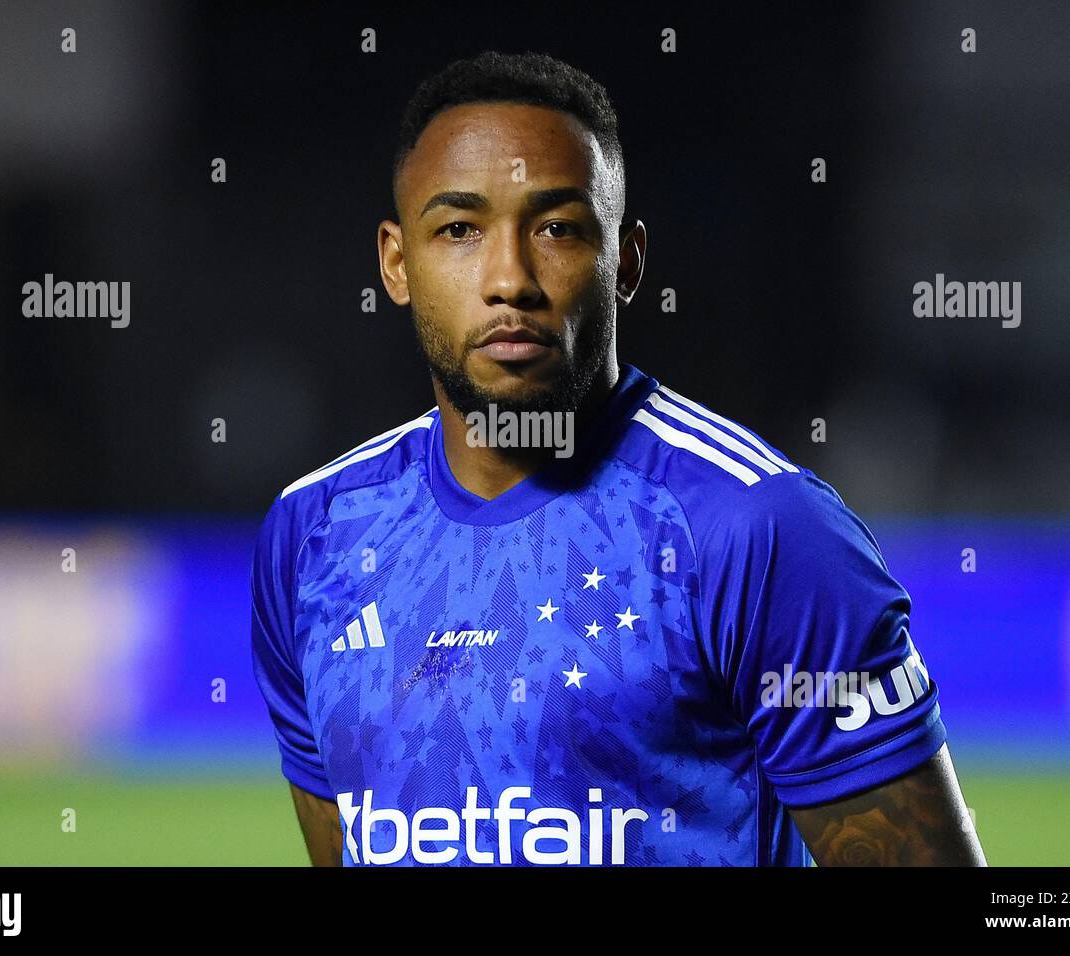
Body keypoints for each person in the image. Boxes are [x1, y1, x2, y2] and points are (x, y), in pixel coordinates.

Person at [251, 50, 985, 866]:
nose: (509, 279)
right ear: (397, 262)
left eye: (557, 228)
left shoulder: (761, 532)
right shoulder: (313, 537)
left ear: (625, 262)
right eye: (459, 229)